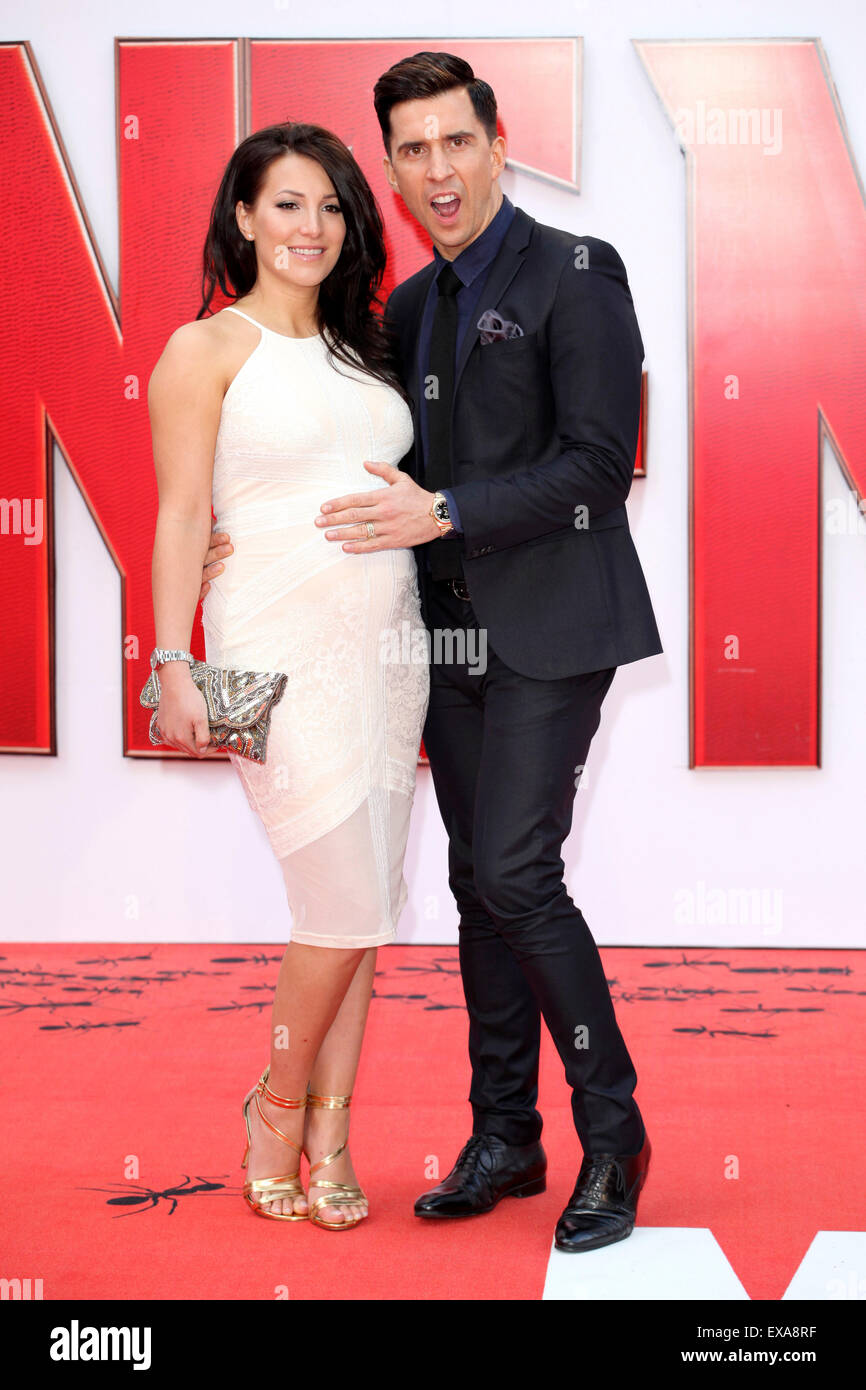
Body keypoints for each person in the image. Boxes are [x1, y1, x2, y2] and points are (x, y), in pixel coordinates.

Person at [200, 51, 663, 1253]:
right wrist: (228, 543)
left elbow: (598, 468)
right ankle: (503, 1132)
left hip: (556, 626)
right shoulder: (403, 313)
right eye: (410, 150)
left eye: (454, 141)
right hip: (438, 641)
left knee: (512, 872)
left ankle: (610, 1133)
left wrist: (446, 514)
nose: (436, 169)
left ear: (496, 142)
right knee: (469, 885)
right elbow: (324, 456)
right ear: (393, 172)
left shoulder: (574, 271)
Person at [147, 121, 429, 1229]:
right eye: (287, 205)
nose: (311, 227)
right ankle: (273, 1105)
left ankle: (332, 1131)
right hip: (267, 645)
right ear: (243, 218)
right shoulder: (204, 349)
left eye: (330, 207)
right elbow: (180, 513)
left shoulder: (369, 348)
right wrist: (175, 660)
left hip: (386, 650)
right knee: (342, 901)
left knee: (361, 911)